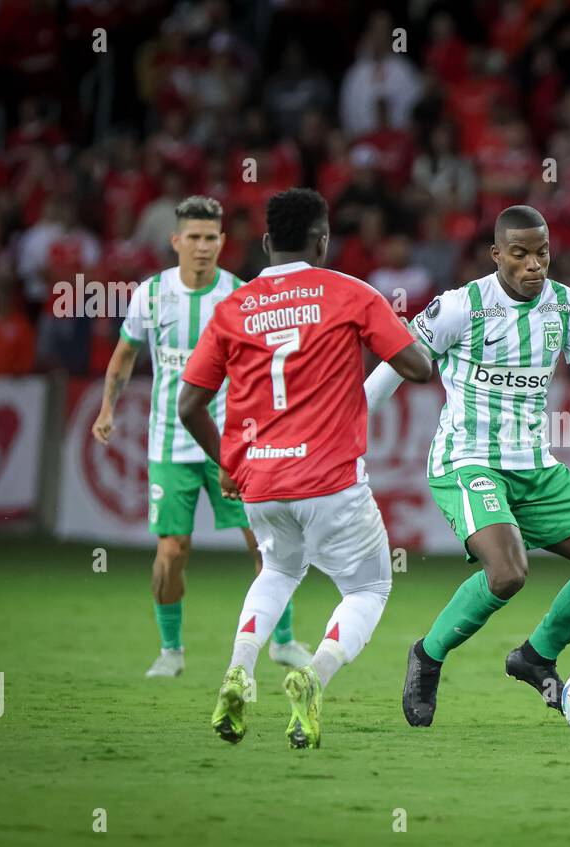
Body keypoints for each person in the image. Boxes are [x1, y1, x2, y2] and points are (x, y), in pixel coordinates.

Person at [363, 204, 570, 727]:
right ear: (497, 254)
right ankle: (428, 657)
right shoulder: (462, 307)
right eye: (520, 254)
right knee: (507, 573)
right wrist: (345, 432)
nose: (533, 265)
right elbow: (395, 366)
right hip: (466, 460)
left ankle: (536, 655)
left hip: (535, 466)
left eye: (542, 253)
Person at [179, 188, 432, 748]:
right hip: (330, 481)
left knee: (276, 572)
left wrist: (229, 460)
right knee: (369, 586)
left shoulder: (232, 308)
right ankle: (313, 678)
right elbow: (415, 367)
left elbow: (188, 406)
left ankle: (238, 672)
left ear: (268, 242)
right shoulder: (351, 294)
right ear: (322, 242)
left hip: (260, 483)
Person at [91, 196, 306, 678]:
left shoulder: (240, 295)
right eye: (194, 237)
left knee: (266, 544)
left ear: (223, 242)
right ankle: (171, 651)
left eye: (211, 238)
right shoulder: (151, 294)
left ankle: (284, 641)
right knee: (172, 552)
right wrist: (107, 409)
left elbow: (266, 367)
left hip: (229, 444)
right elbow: (125, 356)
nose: (203, 246)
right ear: (176, 241)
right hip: (169, 442)